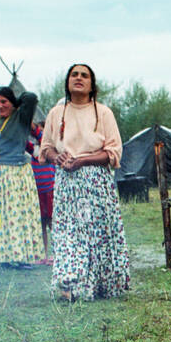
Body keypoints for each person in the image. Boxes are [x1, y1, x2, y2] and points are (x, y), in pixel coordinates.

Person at [38, 64, 129, 301]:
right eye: (74, 75)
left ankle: (100, 286)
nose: (78, 78)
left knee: (96, 233)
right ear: (68, 82)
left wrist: (83, 160)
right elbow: (45, 148)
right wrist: (57, 157)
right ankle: (69, 285)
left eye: (84, 75)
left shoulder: (104, 113)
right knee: (69, 232)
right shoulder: (56, 113)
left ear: (92, 84)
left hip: (96, 180)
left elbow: (113, 151)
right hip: (67, 181)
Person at [0, 87, 41, 267]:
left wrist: (17, 104)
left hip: (15, 173)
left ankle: (17, 256)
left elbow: (31, 97)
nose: (0, 106)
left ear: (12, 103)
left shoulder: (21, 118)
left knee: (14, 215)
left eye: (4, 102)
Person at [27, 120, 56, 263]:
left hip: (50, 191)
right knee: (42, 224)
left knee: (52, 223)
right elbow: (25, 143)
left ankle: (56, 254)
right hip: (38, 192)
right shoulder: (34, 150)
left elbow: (41, 136)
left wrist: (36, 129)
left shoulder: (49, 150)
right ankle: (44, 255)